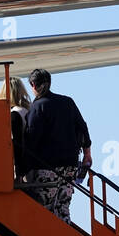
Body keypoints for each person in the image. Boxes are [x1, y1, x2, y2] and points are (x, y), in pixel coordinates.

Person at [21, 69, 92, 224]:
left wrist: (23, 167)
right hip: (70, 165)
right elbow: (83, 127)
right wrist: (87, 154)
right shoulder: (67, 102)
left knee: (44, 210)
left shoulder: (37, 107)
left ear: (33, 85)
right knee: (62, 208)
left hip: (47, 167)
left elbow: (32, 139)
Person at [6, 76, 30, 180]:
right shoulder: (29, 109)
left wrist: (19, 171)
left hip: (20, 166)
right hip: (32, 162)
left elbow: (16, 143)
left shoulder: (13, 114)